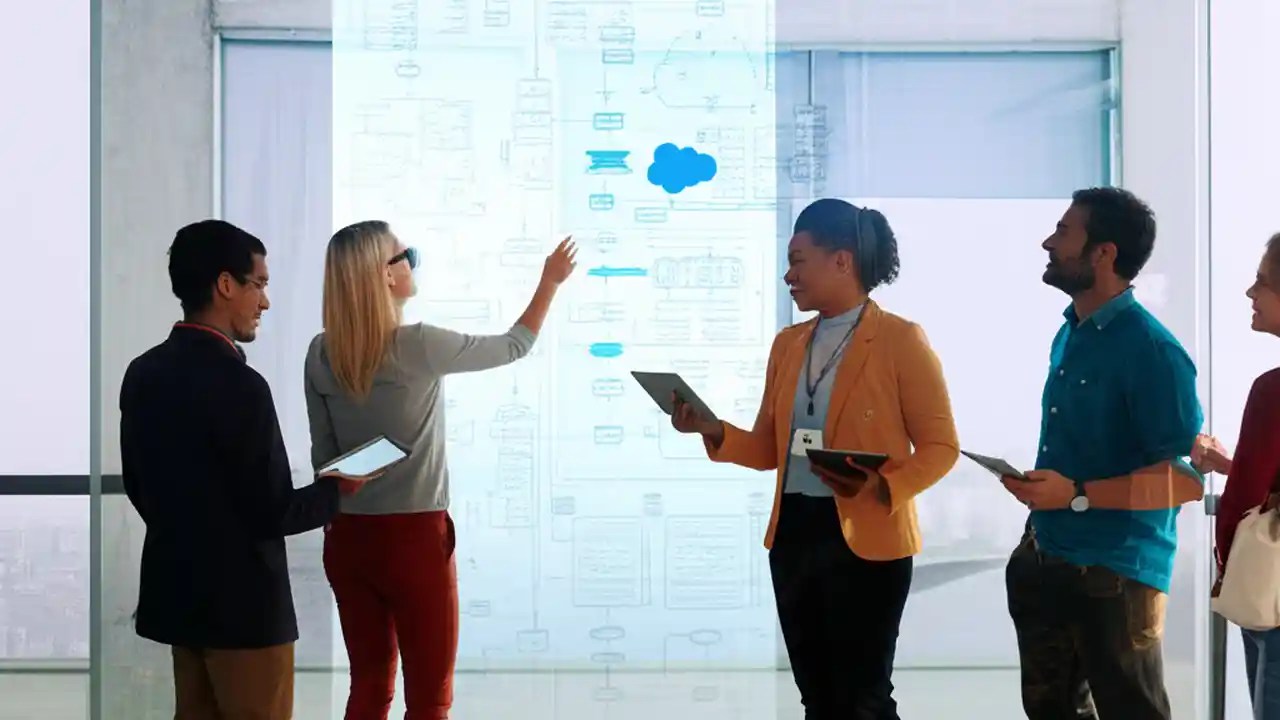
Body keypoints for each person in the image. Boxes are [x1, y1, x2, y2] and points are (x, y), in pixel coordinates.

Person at [670, 198, 959, 718]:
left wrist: (883, 488)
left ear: (841, 261)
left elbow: (941, 449)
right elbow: (766, 449)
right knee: (817, 699)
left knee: (864, 700)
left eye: (798, 260)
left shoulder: (899, 340)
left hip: (867, 538)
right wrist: (712, 429)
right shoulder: (788, 345)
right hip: (795, 535)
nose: (788, 275)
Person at [303, 221, 577, 720]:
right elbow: (516, 343)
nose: (412, 259)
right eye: (403, 253)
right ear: (383, 276)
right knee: (429, 699)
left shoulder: (320, 353)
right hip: (415, 540)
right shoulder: (422, 344)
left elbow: (325, 460)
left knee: (368, 689)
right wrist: (550, 281)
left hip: (346, 537)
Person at [119, 220, 370, 720]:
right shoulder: (240, 385)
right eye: (259, 284)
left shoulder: (144, 372)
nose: (265, 301)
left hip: (181, 604)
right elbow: (273, 511)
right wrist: (334, 490)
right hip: (245, 615)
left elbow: (139, 487)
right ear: (225, 284)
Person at [1000, 187, 1205, 720]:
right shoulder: (1070, 333)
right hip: (1048, 556)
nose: (1049, 242)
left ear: (1103, 253)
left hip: (1116, 577)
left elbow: (1182, 481)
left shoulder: (1153, 350)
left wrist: (1078, 495)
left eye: (1064, 232)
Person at [1191, 233, 1280, 720]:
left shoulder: (1272, 391)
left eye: (1262, 282)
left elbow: (1241, 503)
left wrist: (1226, 573)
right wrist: (1234, 464)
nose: (1250, 293)